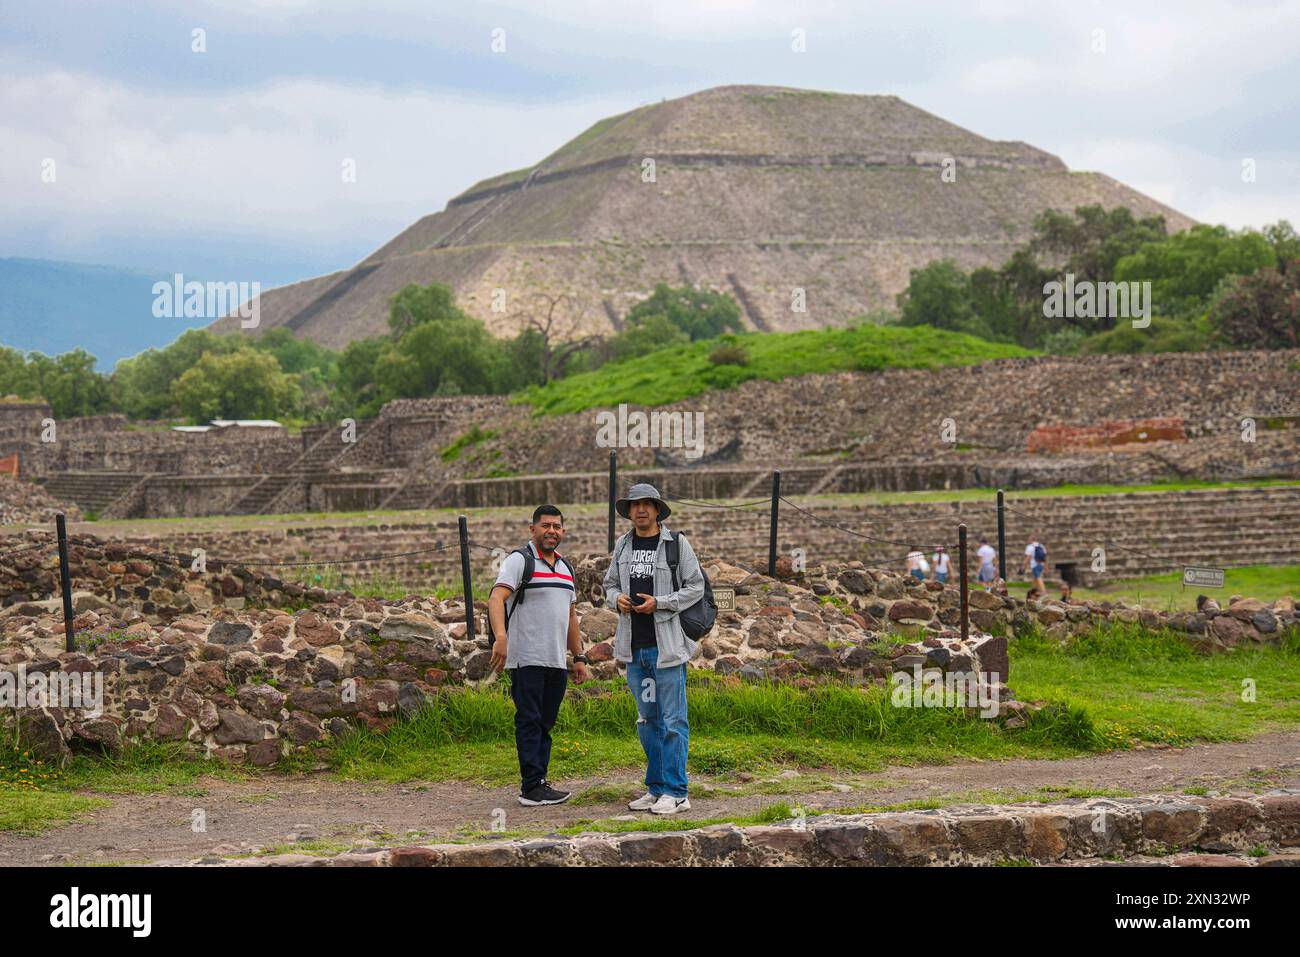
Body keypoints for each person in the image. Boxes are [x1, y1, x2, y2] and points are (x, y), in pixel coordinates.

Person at [602, 483, 704, 816]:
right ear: (629, 512)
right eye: (635, 505)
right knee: (648, 721)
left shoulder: (677, 544)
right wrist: (615, 598)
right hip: (635, 649)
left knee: (673, 721)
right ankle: (657, 787)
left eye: (647, 504)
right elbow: (609, 584)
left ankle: (677, 792)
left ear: (657, 510)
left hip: (667, 650)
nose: (641, 510)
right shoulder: (623, 545)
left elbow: (695, 588)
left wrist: (659, 603)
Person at [488, 505, 591, 807]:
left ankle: (540, 782)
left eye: (557, 526)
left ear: (563, 531)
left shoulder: (565, 568)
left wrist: (580, 657)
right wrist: (501, 638)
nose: (552, 531)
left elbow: (570, 617)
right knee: (530, 721)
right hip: (527, 658)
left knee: (546, 722)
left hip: (556, 661)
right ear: (532, 529)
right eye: (545, 525)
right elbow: (496, 598)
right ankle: (531, 787)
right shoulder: (520, 561)